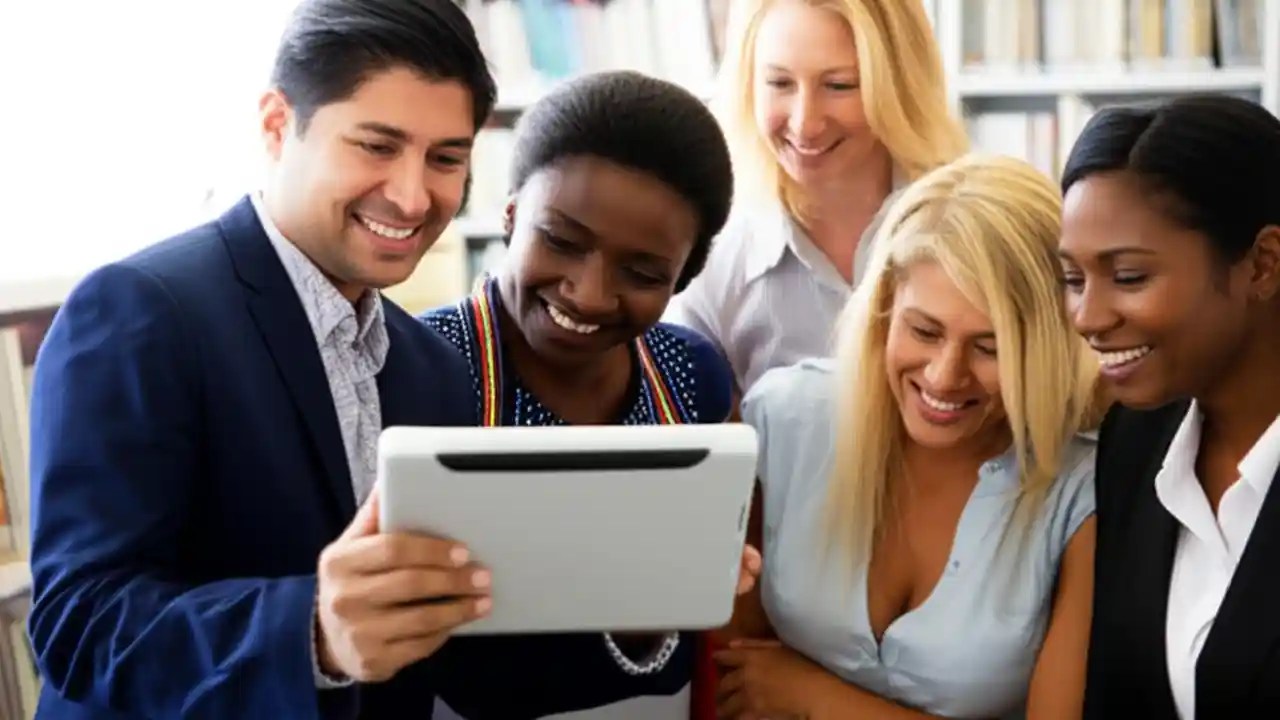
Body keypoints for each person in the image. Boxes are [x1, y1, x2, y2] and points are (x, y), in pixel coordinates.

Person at [26, 3, 752, 719]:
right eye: (376, 146)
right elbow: (79, 623)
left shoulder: (426, 365)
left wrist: (643, 603)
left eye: (445, 158)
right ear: (279, 125)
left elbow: (468, 671)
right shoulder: (142, 310)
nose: (412, 196)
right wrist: (312, 631)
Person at [420, 69, 754, 720]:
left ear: (684, 277)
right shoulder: (419, 367)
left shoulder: (694, 379)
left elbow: (690, 653)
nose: (589, 293)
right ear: (510, 214)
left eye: (642, 272)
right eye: (562, 242)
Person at [721, 154, 1101, 719]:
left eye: (990, 347)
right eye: (924, 330)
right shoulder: (783, 421)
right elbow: (734, 680)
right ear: (883, 312)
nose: (945, 376)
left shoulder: (1081, 488)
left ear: (1044, 350)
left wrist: (813, 696)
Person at [1059, 94, 1280, 718]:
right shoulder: (1134, 442)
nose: (1087, 317)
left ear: (1262, 264)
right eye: (1074, 279)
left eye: (1128, 277)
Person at [665, 0, 968, 398]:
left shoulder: (971, 226)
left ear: (899, 85)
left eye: (839, 85)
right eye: (779, 84)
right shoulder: (715, 258)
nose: (805, 123)